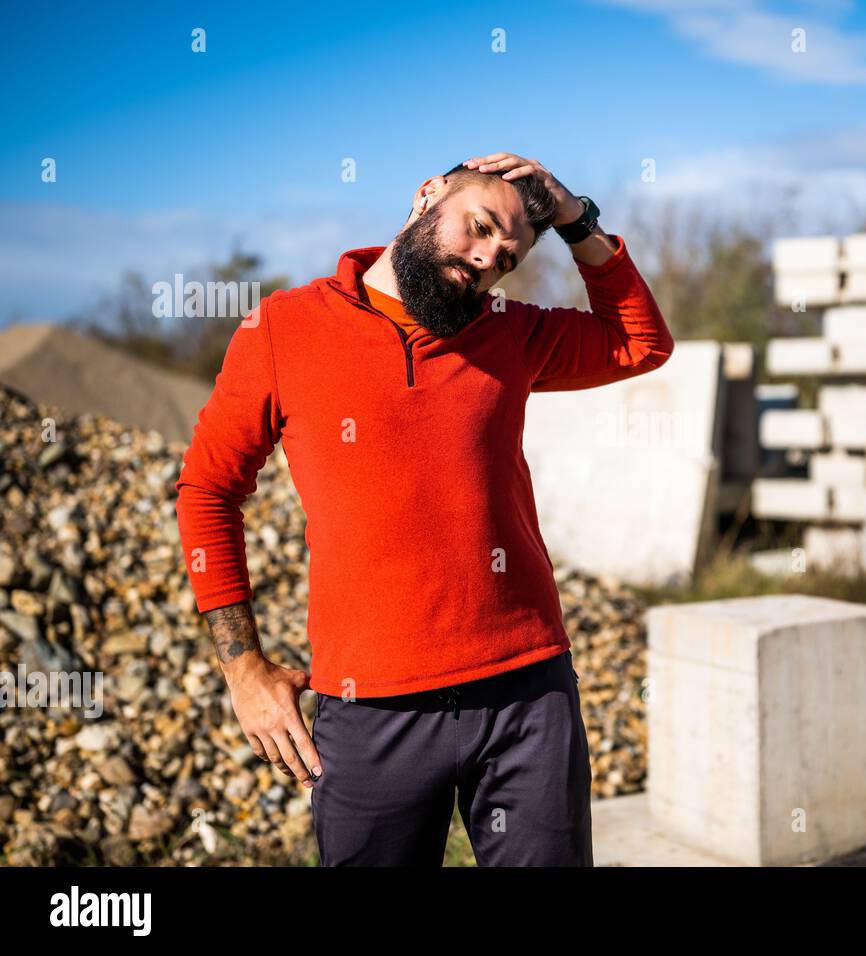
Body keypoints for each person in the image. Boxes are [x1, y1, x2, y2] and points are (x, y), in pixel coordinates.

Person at [174, 152, 674, 865]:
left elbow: (642, 343)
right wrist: (242, 668)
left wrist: (575, 219)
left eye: (507, 255)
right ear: (427, 195)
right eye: (480, 227)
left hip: (527, 696)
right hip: (372, 708)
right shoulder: (284, 329)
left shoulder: (512, 331)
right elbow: (208, 491)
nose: (486, 258)